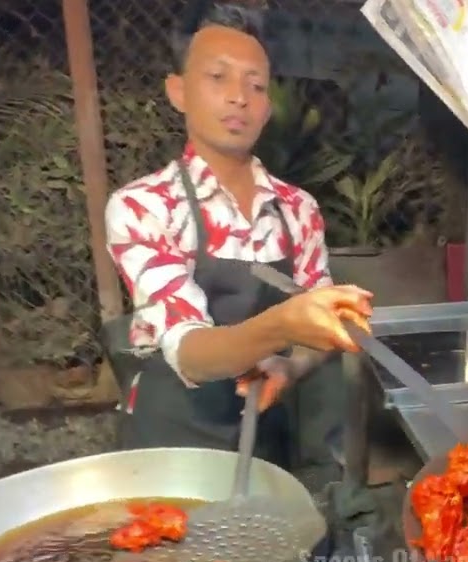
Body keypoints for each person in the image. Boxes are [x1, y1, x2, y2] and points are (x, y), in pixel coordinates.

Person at [102, 0, 370, 469]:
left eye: (256, 84)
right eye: (217, 77)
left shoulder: (298, 210)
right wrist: (283, 325)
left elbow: (317, 337)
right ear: (178, 91)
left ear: (268, 107)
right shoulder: (143, 206)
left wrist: (291, 363)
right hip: (169, 446)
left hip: (263, 441)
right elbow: (191, 354)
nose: (238, 97)